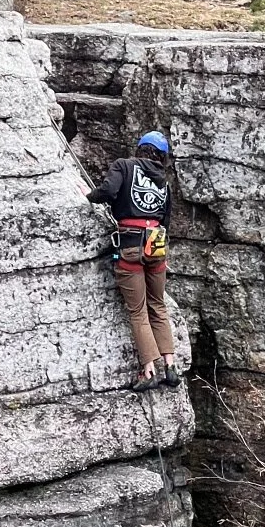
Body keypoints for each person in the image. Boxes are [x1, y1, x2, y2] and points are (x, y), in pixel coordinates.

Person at [88, 130, 180, 391]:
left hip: (130, 245)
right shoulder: (164, 183)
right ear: (161, 157)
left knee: (138, 311)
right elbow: (166, 222)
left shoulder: (124, 166)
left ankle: (149, 370)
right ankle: (170, 367)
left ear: (140, 149)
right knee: (157, 306)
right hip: (157, 247)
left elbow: (107, 191)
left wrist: (88, 196)